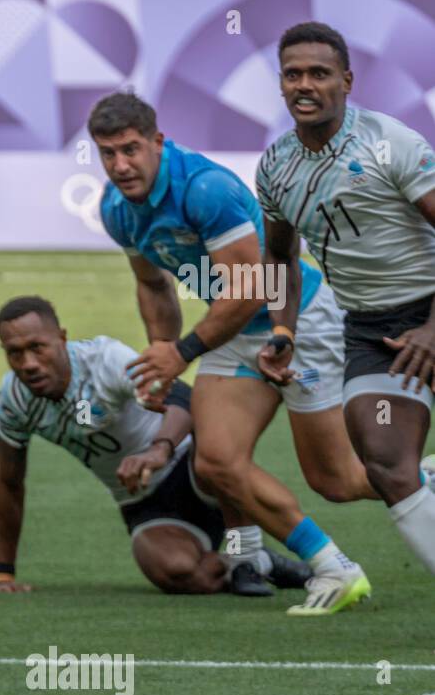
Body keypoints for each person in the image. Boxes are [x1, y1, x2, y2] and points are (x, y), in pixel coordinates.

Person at [90, 90, 373, 616]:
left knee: (338, 480)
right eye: (107, 153)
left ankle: (419, 479)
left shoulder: (206, 189)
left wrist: (183, 352)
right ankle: (335, 568)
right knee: (217, 462)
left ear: (157, 142)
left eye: (130, 149)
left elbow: (250, 291)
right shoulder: (116, 209)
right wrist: (159, 354)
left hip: (296, 323)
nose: (120, 165)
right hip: (230, 333)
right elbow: (153, 286)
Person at [257, 22, 435, 576]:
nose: (305, 85)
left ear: (347, 81)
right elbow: (280, 258)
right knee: (384, 461)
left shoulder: (391, 143)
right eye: (293, 74)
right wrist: (281, 331)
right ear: (281, 85)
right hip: (373, 333)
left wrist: (432, 330)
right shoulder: (275, 168)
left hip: (431, 310)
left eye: (319, 73)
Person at [0, 295, 308, 596]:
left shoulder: (103, 360)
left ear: (62, 337)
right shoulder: (15, 399)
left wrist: (159, 450)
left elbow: (184, 398)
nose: (28, 363)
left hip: (191, 464)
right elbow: (9, 482)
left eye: (37, 347)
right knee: (175, 572)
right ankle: (262, 564)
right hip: (143, 501)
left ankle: (250, 558)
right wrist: (3, 573)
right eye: (14, 352)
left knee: (218, 452)